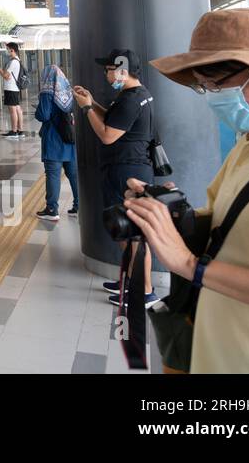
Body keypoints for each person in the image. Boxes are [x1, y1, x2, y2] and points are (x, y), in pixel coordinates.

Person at [126, 8, 249, 373]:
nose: (211, 96)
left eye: (217, 85)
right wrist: (168, 213)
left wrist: (189, 267)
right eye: (205, 87)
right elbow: (225, 225)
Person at [71, 48, 157, 307]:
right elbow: (113, 118)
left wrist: (86, 111)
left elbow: (108, 134)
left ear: (121, 70)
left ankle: (144, 292)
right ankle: (130, 280)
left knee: (134, 236)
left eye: (108, 70)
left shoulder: (131, 99)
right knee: (125, 232)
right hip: (125, 169)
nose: (106, 74)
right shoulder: (135, 95)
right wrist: (93, 102)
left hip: (128, 172)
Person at [35, 64, 79, 221]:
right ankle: (79, 206)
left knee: (53, 174)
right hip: (70, 138)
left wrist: (38, 109)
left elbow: (43, 115)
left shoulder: (47, 92)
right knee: (73, 174)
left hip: (54, 139)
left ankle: (52, 209)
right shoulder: (67, 89)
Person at [0, 42, 25, 138]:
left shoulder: (13, 62)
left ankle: (14, 131)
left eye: (7, 49)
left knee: (13, 110)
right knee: (17, 109)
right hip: (14, 88)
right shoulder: (17, 60)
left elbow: (5, 76)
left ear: (12, 50)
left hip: (11, 88)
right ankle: (20, 130)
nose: (6, 51)